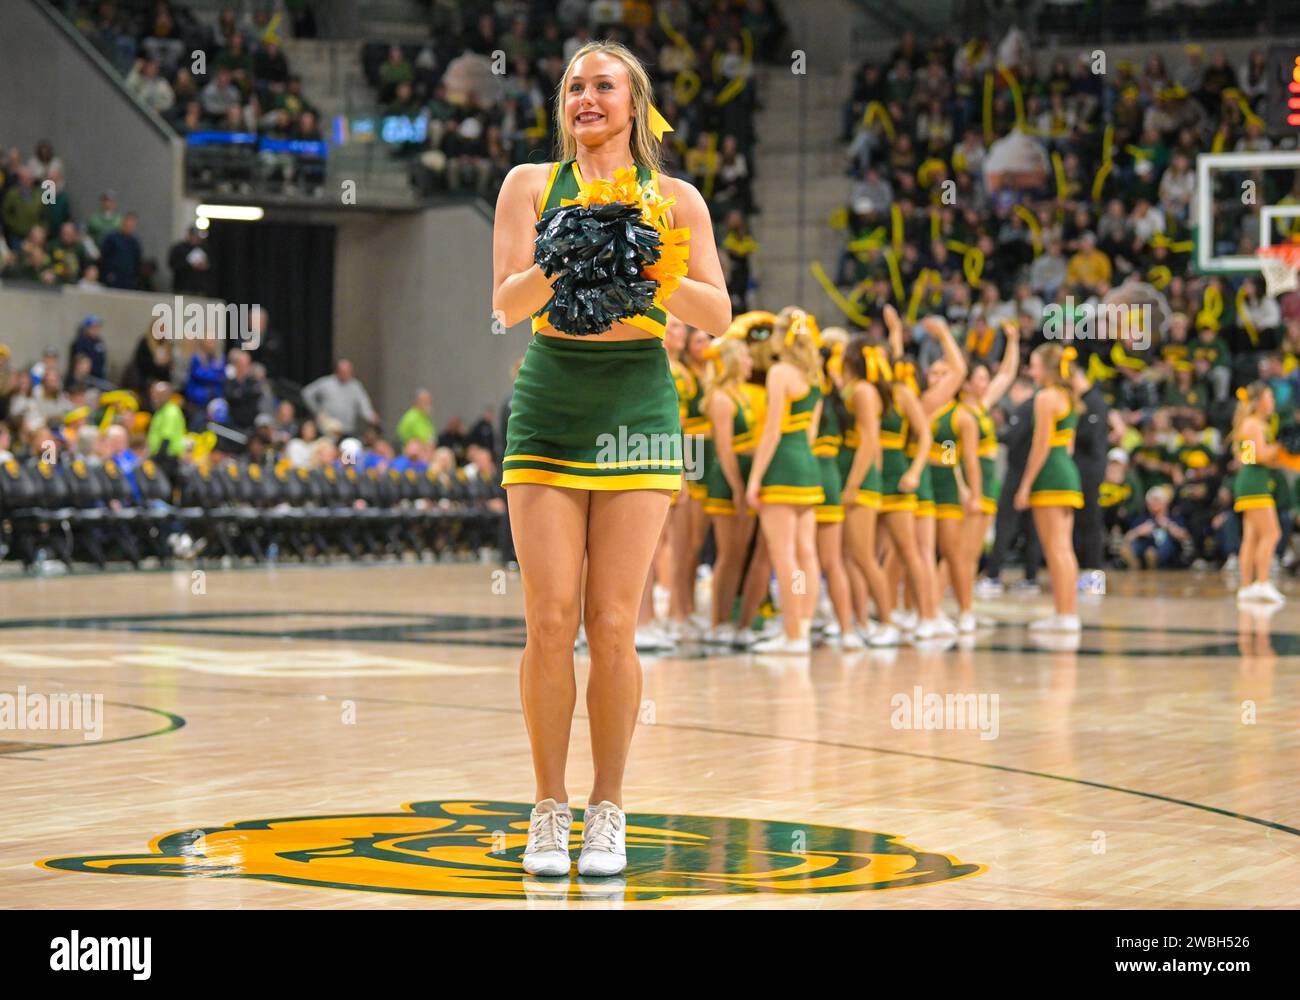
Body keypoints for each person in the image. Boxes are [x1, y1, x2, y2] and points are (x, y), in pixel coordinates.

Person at [491, 41, 728, 878]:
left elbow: (718, 315)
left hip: (639, 403)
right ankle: (549, 807)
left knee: (615, 624)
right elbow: (507, 302)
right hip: (551, 404)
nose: (585, 97)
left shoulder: (677, 197)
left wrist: (651, 263)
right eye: (574, 87)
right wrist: (568, 255)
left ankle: (609, 808)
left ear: (635, 104)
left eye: (603, 86)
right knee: (550, 621)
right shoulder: (528, 186)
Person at [744, 308, 825, 653]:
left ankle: (792, 634)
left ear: (781, 336)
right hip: (807, 464)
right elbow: (811, 432)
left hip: (782, 467)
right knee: (807, 552)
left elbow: (773, 431)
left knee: (785, 555)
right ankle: (803, 627)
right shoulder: (815, 376)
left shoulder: (779, 372)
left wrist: (755, 479)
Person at [1015, 344, 1085, 632]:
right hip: (1067, 471)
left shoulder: (1044, 397)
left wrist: (1025, 485)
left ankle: (1064, 614)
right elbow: (1068, 443)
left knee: (1054, 547)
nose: (1031, 370)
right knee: (1064, 548)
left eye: (1033, 364)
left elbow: (1040, 445)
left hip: (1050, 474)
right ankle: (1068, 612)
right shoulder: (1069, 396)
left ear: (1046, 368)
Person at [699, 336, 760, 647]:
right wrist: (737, 487)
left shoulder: (743, 395)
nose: (751, 362)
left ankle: (731, 620)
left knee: (739, 554)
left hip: (745, 478)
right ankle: (716, 621)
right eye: (746, 358)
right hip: (727, 480)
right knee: (727, 555)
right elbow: (723, 450)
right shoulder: (721, 398)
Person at [1230, 383, 1285, 605]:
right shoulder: (1254, 424)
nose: (1272, 401)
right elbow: (1258, 456)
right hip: (1254, 483)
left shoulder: (1254, 423)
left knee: (1251, 538)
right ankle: (1262, 582)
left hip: (1251, 481)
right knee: (1272, 534)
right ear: (1259, 401)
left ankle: (1246, 587)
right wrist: (1280, 449)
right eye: (1270, 396)